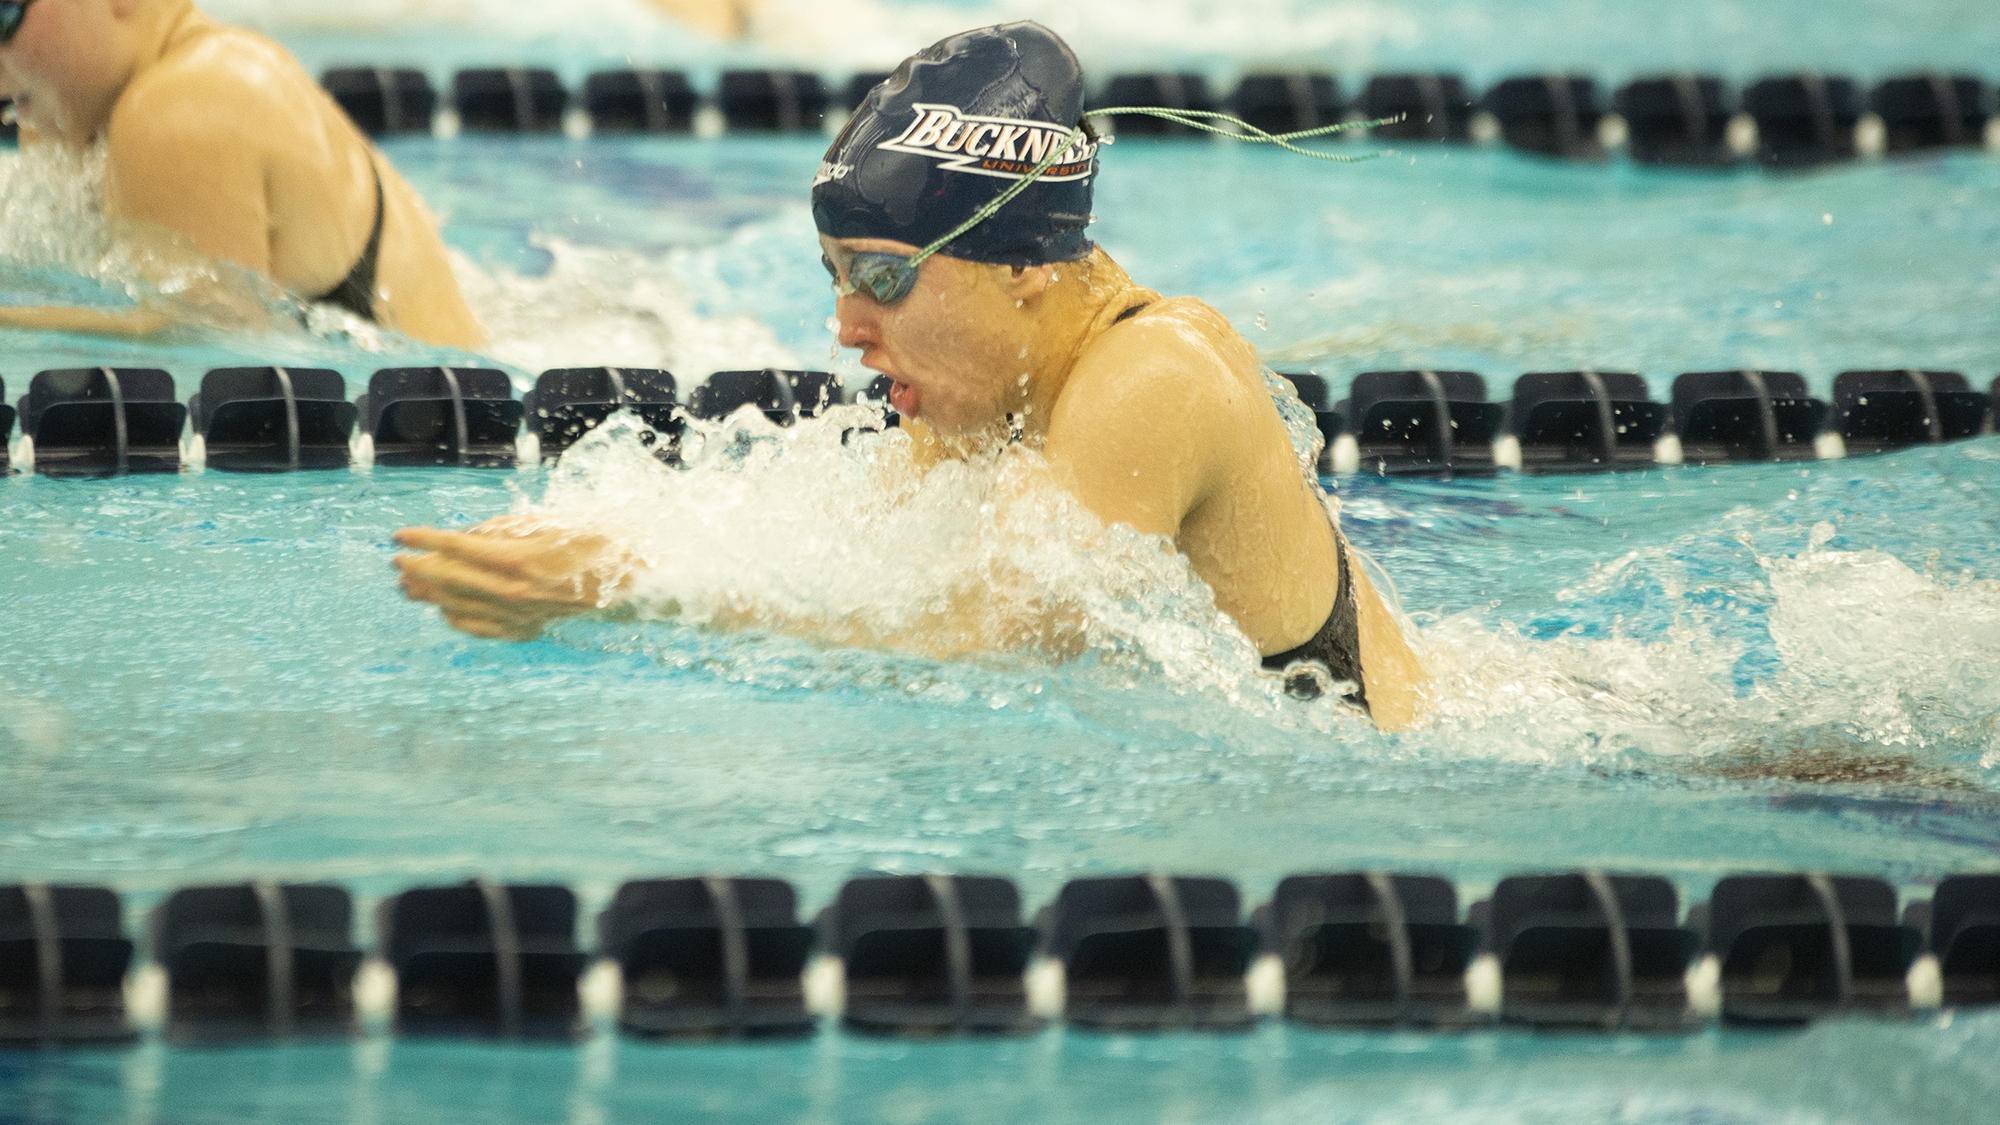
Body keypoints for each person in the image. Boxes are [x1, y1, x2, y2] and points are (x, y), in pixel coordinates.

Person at [393, 22, 1426, 728]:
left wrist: (628, 591)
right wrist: (618, 540)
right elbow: (857, 575)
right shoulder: (989, 400)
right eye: (836, 278)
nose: (846, 327)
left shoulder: (1153, 375)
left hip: (1405, 780)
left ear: (1023, 262)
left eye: (882, 278)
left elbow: (997, 632)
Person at [0, 0, 483, 348]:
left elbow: (205, 350)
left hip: (435, 443)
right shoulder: (62, 112)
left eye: (6, 12)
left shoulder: (184, 103)